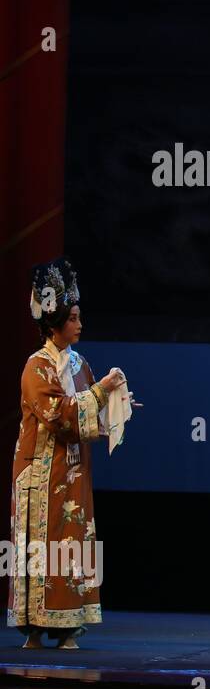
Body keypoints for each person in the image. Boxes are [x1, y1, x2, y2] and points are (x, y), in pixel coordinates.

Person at [10, 257, 138, 650]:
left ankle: (69, 625)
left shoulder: (79, 365)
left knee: (73, 539)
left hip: (73, 471)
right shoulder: (37, 368)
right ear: (56, 322)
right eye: (74, 317)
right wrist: (100, 391)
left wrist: (113, 409)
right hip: (40, 474)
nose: (80, 324)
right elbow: (59, 414)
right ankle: (34, 624)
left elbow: (85, 415)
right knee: (40, 545)